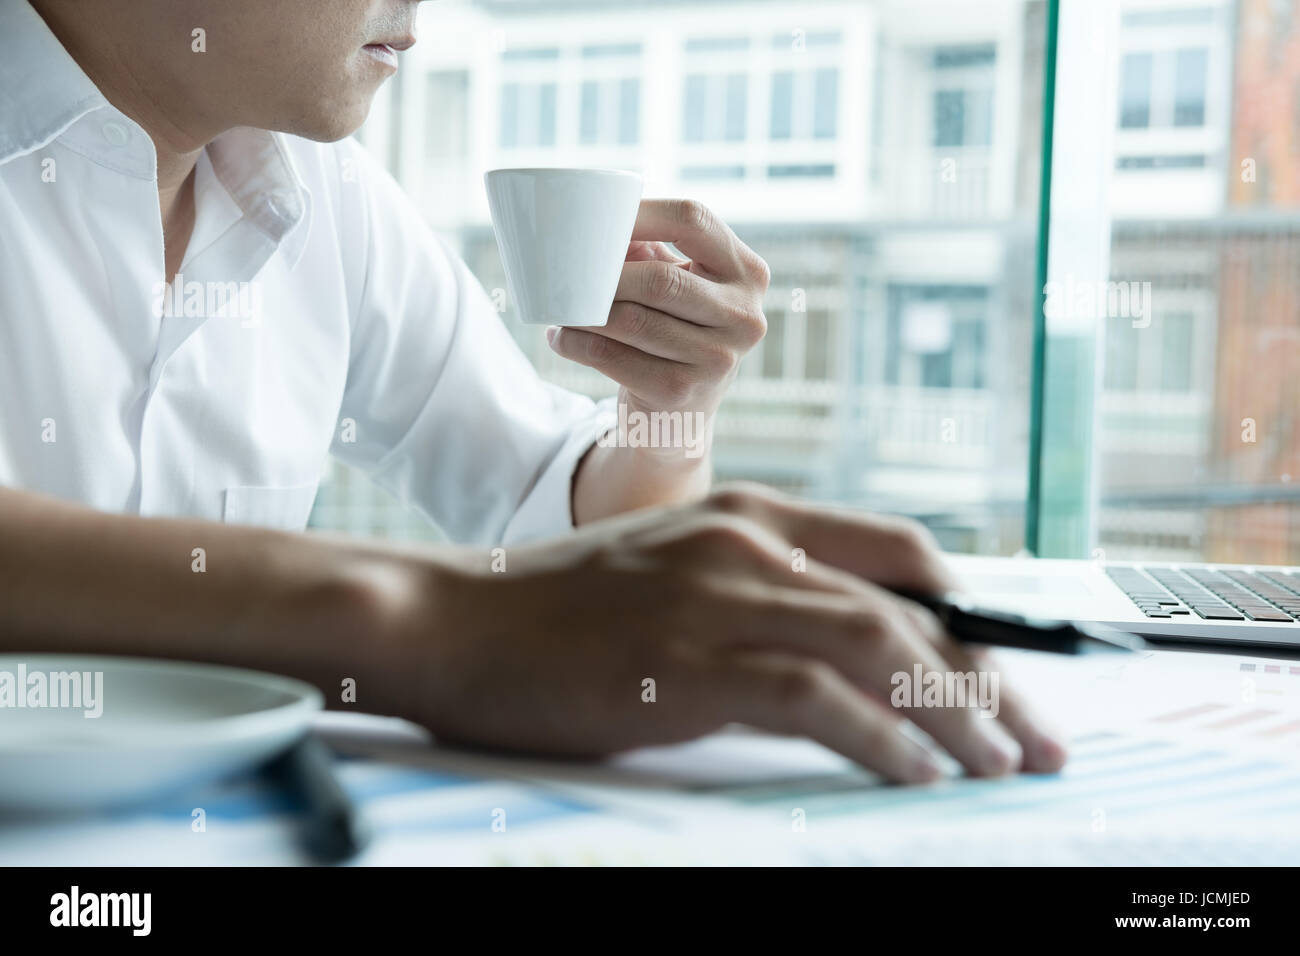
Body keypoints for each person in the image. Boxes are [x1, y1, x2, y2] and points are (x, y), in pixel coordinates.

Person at [0, 0, 1066, 783]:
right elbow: (502, 611)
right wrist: (427, 625)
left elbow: (544, 524)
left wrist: (662, 405)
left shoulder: (317, 196)